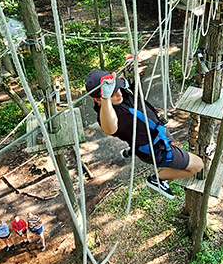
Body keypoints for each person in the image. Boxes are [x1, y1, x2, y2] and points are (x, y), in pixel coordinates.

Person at [85, 67, 204, 199]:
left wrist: (129, 70)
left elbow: (129, 87)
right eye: (112, 95)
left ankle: (132, 150)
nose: (119, 95)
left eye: (117, 89)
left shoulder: (121, 95)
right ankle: (157, 179)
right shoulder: (108, 114)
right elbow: (109, 129)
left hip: (150, 137)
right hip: (157, 150)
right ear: (98, 99)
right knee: (198, 165)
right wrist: (106, 99)